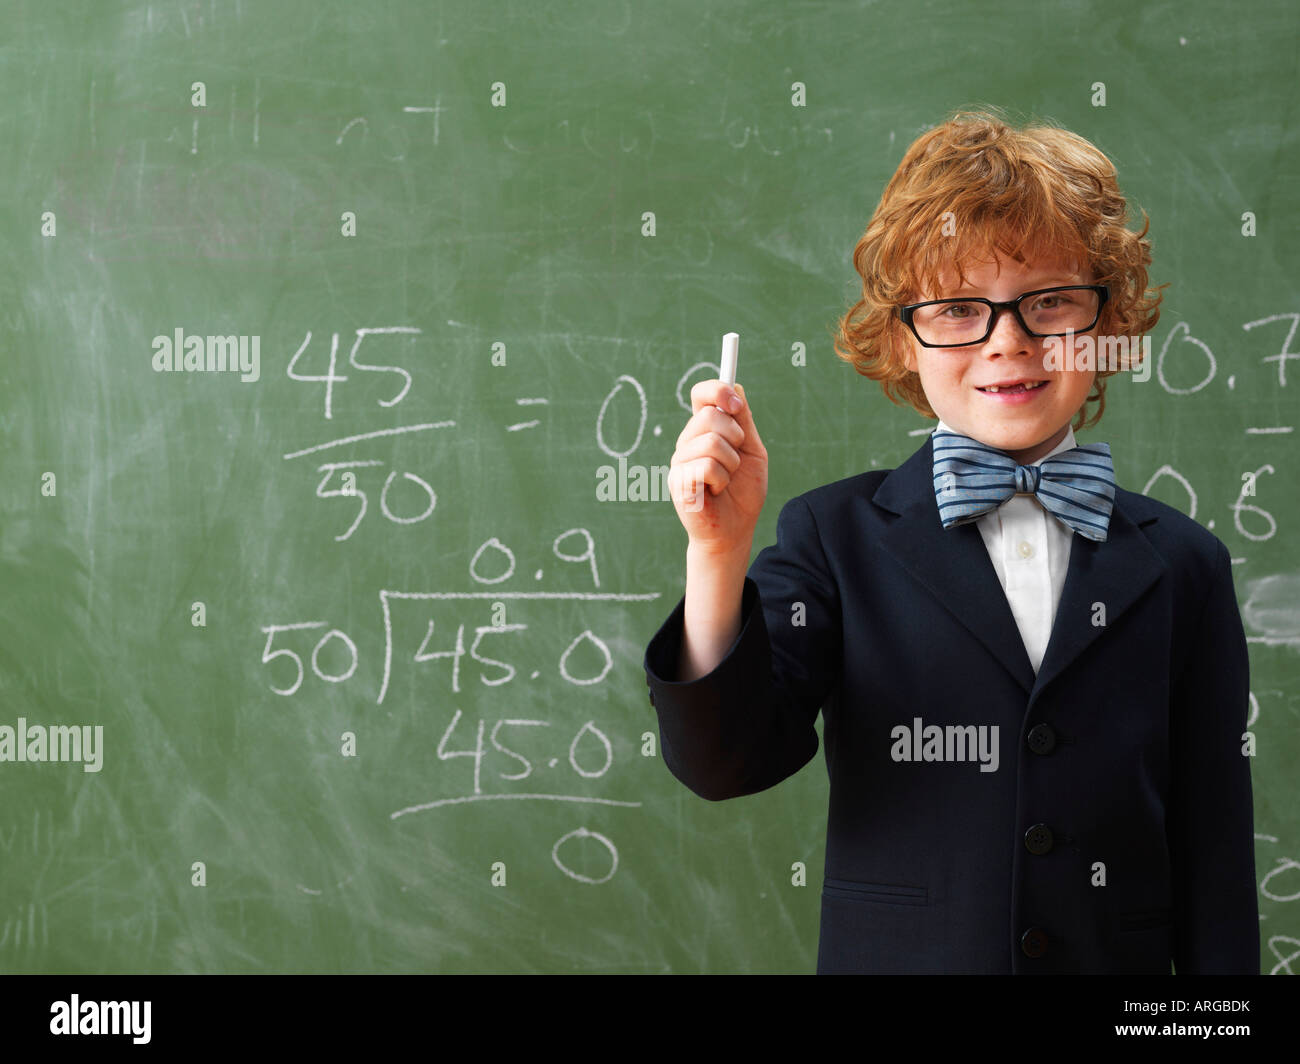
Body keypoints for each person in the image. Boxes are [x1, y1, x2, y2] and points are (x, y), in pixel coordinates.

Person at [641, 108, 1259, 974]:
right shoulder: (834, 539)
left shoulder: (1184, 564)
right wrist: (717, 551)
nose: (1009, 341)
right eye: (961, 307)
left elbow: (1216, 860)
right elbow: (724, 760)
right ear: (903, 336)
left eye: (1050, 302)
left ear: (1107, 323)